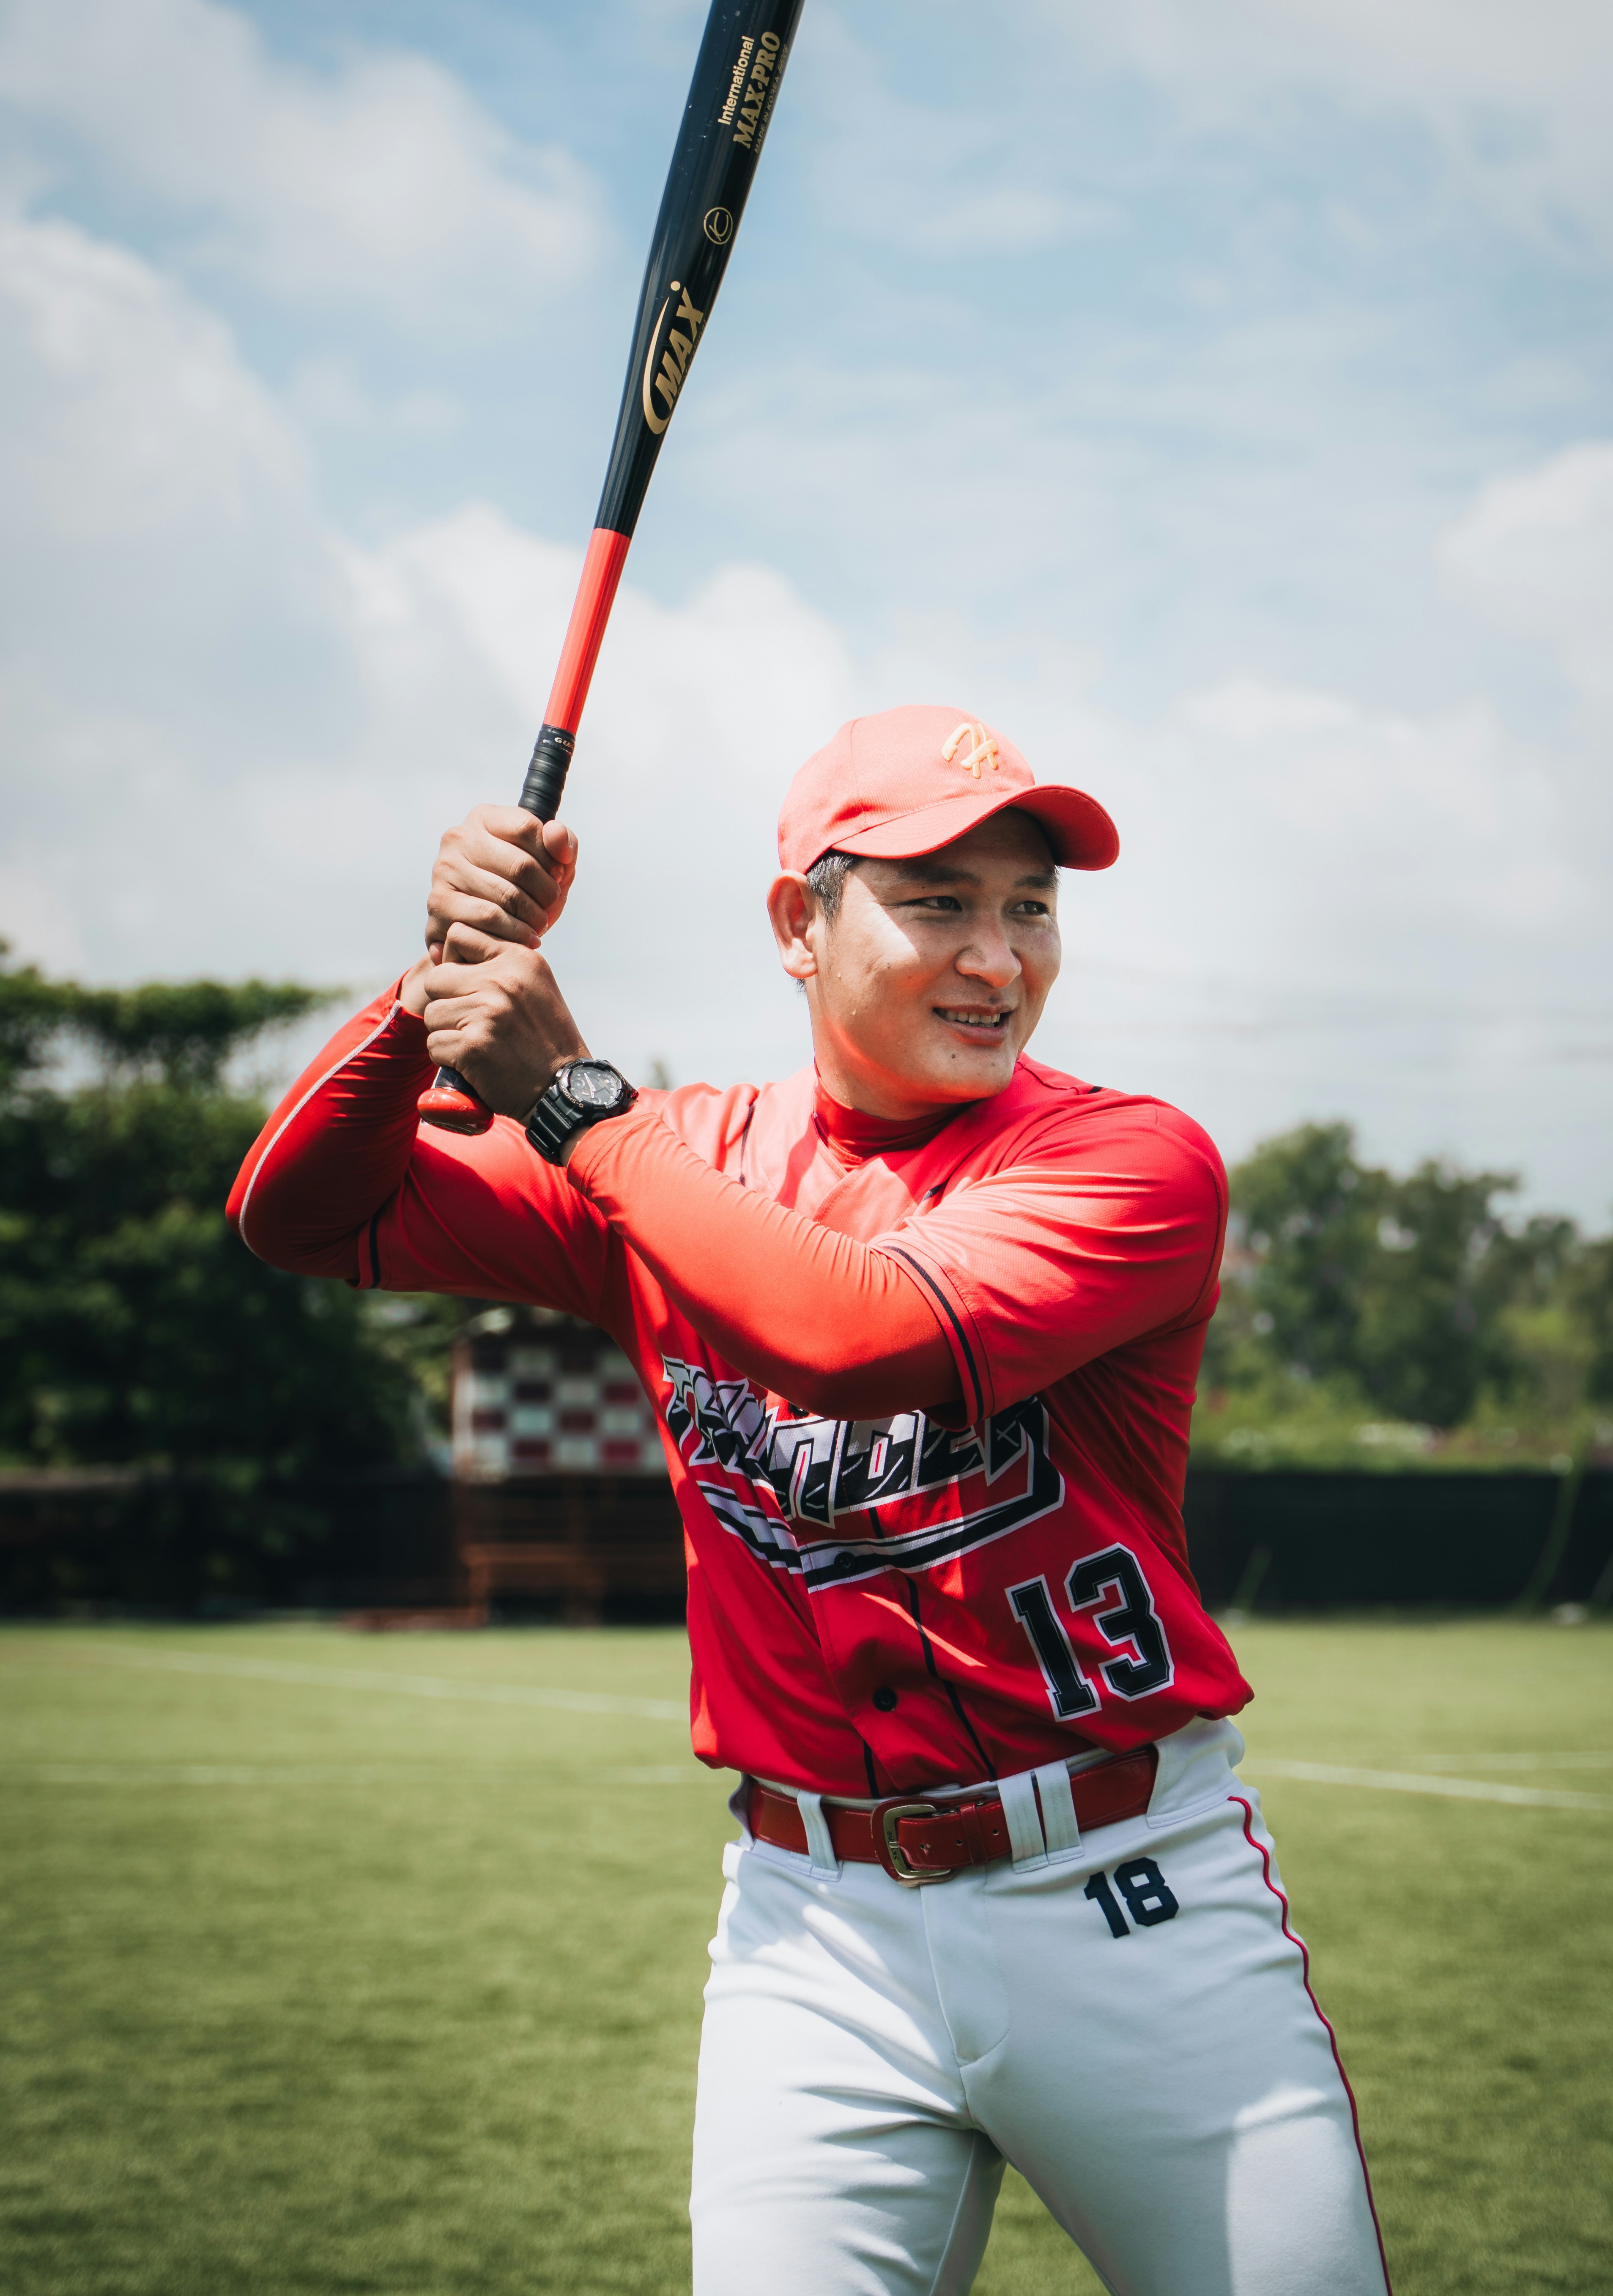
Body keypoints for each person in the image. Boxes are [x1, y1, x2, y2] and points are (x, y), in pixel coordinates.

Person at [229, 703, 1390, 2296]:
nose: (999, 956)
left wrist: (572, 1101)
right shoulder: (677, 1153)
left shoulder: (1132, 1159)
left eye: (1031, 905)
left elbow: (860, 1334)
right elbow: (297, 1210)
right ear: (799, 923)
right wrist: (431, 978)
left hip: (1127, 1892)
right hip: (810, 1924)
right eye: (939, 901)